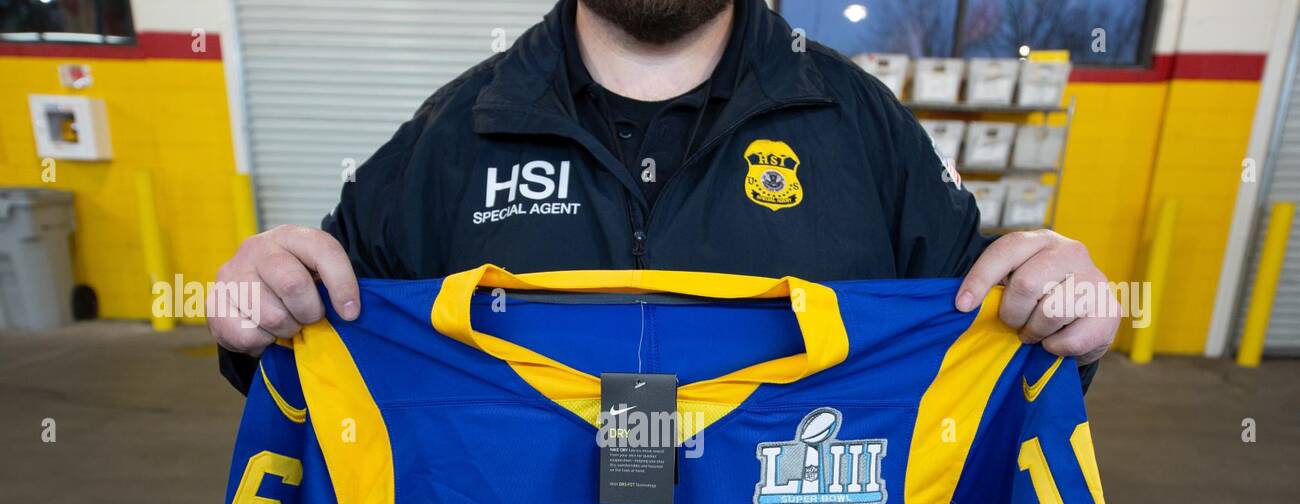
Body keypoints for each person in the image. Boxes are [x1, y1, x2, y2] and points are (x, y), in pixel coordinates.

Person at [208, 0, 1119, 393]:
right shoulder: (453, 136)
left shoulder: (866, 133)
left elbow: (994, 358)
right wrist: (260, 303)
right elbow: (309, 356)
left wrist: (1063, 318)